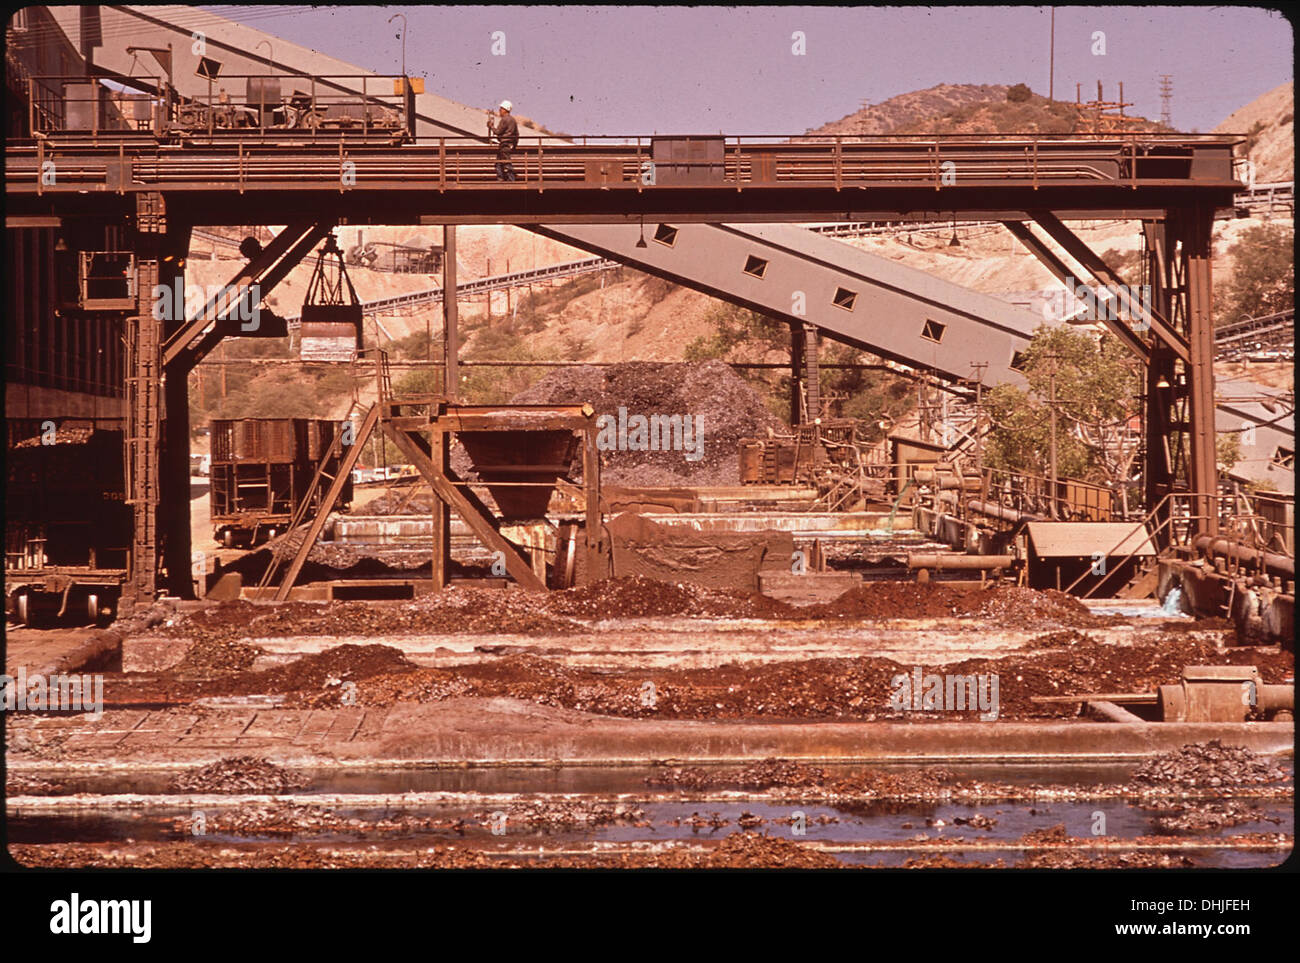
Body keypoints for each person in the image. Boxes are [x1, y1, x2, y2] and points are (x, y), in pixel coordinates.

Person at [487, 100, 519, 182]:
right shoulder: (513, 120)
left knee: (505, 162)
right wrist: (514, 145)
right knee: (500, 162)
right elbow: (517, 134)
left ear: (505, 109)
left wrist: (491, 127)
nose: (500, 110)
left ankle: (510, 180)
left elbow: (498, 132)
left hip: (504, 144)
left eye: (501, 109)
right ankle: (502, 179)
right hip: (509, 144)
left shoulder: (505, 119)